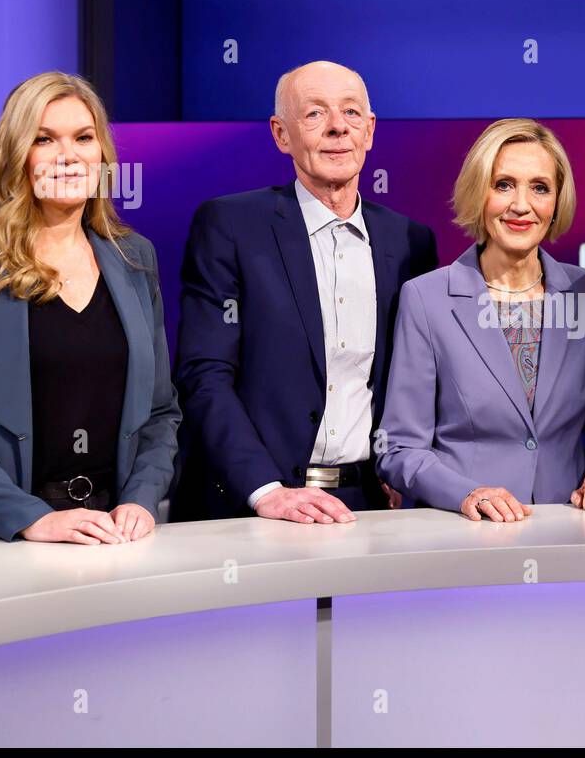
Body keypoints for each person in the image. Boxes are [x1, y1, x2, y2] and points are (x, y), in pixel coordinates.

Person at [0, 72, 180, 545]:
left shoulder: (134, 256)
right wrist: (30, 517)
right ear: (17, 154)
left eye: (83, 138)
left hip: (110, 535)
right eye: (44, 139)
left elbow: (160, 412)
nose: (68, 156)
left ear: (102, 155)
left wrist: (141, 497)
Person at [173, 61, 438, 524]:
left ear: (370, 130)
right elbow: (204, 376)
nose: (338, 127)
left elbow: (416, 382)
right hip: (251, 506)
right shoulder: (231, 226)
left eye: (352, 113)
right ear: (280, 134)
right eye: (315, 114)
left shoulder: (410, 241)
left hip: (369, 508)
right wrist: (266, 491)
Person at [376, 119, 585, 521]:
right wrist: (466, 493)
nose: (521, 205)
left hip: (567, 532)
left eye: (540, 188)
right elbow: (399, 448)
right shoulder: (426, 298)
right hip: (463, 537)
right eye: (503, 184)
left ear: (557, 200)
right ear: (479, 193)